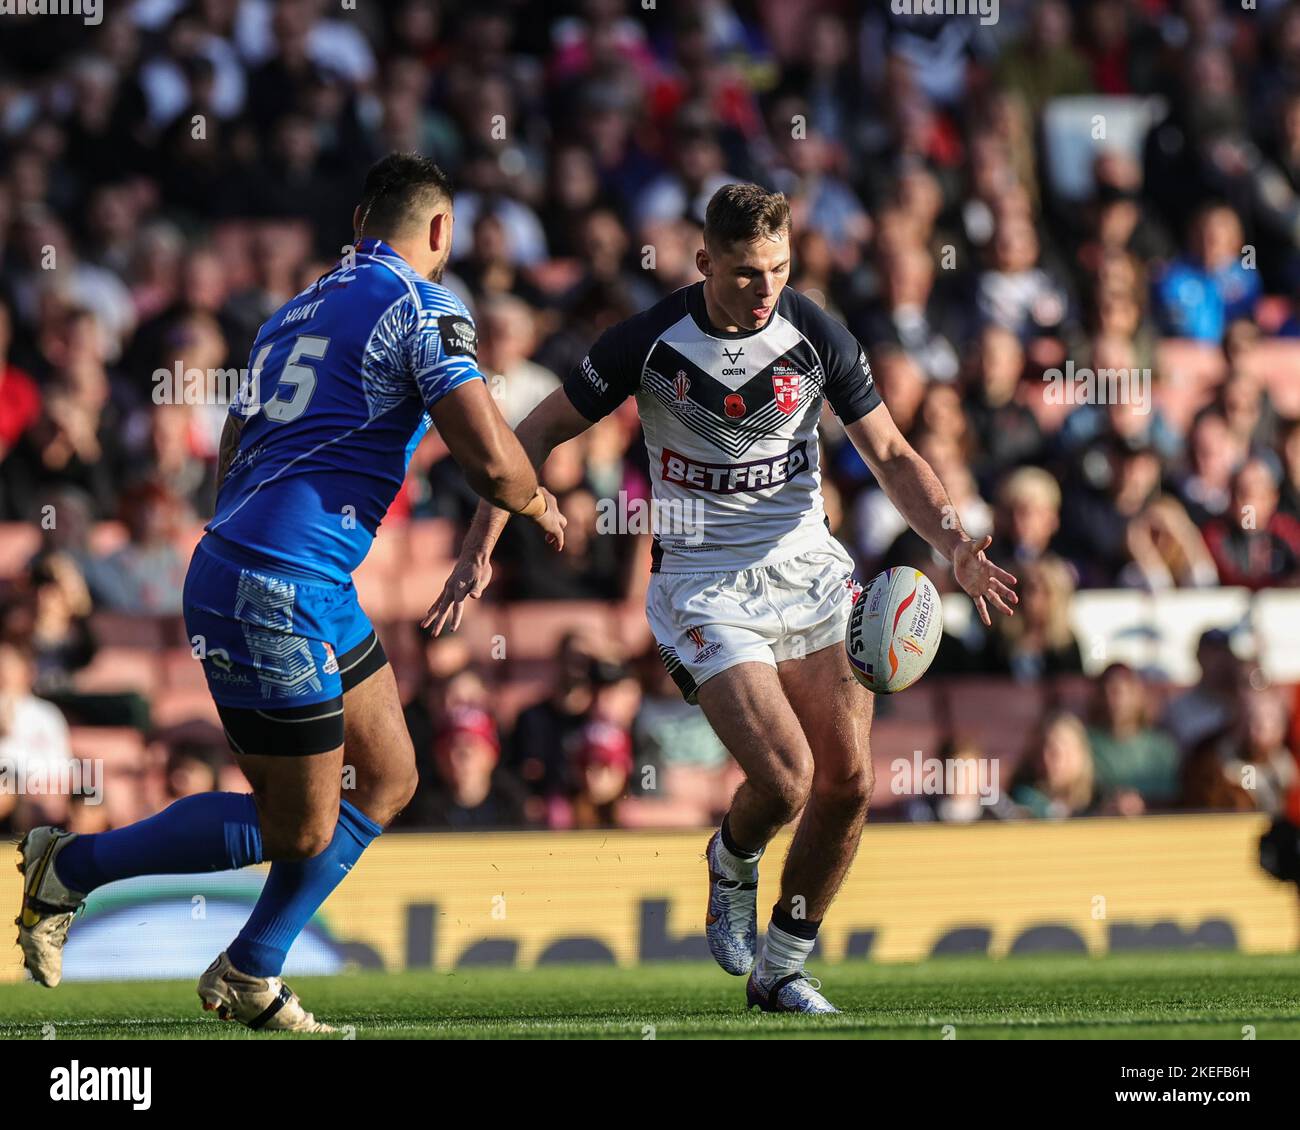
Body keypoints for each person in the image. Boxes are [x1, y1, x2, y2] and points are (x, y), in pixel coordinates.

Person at [426, 183, 1018, 1013]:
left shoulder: (814, 331)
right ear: (704, 262)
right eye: (744, 273)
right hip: (705, 588)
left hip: (810, 575)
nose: (765, 287)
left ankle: (782, 966)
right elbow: (535, 432)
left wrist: (954, 540)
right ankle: (733, 858)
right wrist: (481, 546)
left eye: (777, 267)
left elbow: (889, 452)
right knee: (786, 778)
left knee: (848, 782)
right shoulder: (649, 340)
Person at [15, 152, 567, 1032]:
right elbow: (492, 460)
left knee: (388, 776)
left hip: (283, 572)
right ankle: (71, 869)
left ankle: (250, 968)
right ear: (440, 232)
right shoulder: (425, 306)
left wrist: (254, 541)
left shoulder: (289, 313)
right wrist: (536, 500)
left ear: (359, 224)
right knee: (299, 827)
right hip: (281, 583)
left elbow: (236, 439)